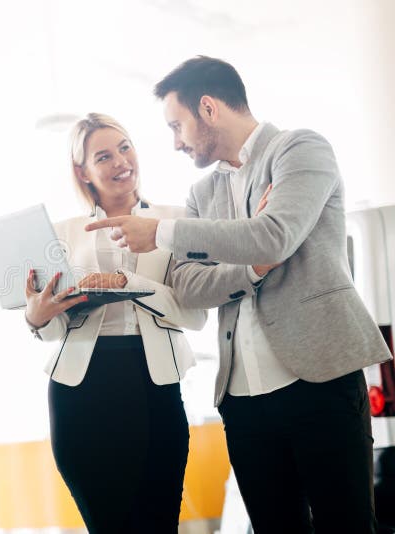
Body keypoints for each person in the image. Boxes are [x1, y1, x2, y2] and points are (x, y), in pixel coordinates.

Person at [86, 56, 393, 533]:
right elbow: (189, 285)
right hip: (243, 398)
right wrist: (251, 264)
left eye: (177, 126)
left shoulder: (300, 149)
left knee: (348, 527)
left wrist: (167, 233)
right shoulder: (201, 194)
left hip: (320, 381)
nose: (175, 143)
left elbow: (274, 235)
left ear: (207, 108)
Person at [24, 112, 207, 533]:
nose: (121, 161)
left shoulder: (176, 220)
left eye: (125, 147)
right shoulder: (60, 233)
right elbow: (51, 327)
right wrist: (36, 317)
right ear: (82, 172)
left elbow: (195, 315)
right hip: (81, 393)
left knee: (159, 521)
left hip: (154, 385)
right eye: (103, 156)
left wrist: (130, 283)